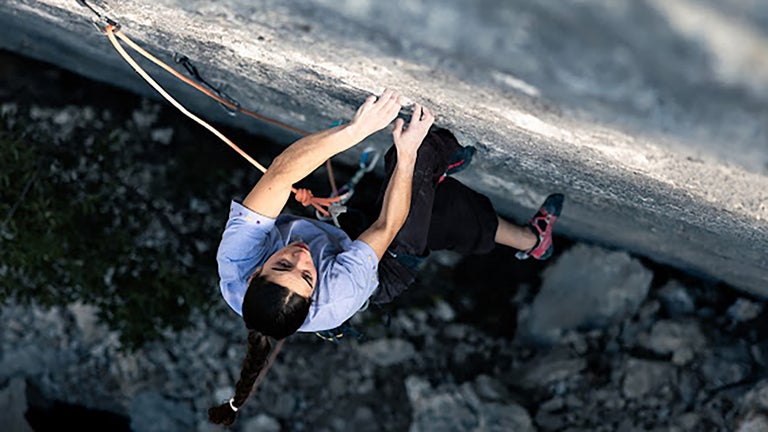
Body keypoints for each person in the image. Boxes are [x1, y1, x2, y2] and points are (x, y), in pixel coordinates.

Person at [208, 89, 563, 425]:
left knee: (436, 213)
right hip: (384, 267)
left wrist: (356, 129)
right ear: (314, 293)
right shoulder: (339, 293)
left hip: (338, 237)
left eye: (282, 264)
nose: (300, 257)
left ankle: (532, 242)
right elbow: (386, 227)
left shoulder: (237, 262)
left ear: (255, 274)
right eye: (306, 276)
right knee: (416, 154)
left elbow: (281, 173)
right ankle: (438, 161)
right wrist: (408, 156)